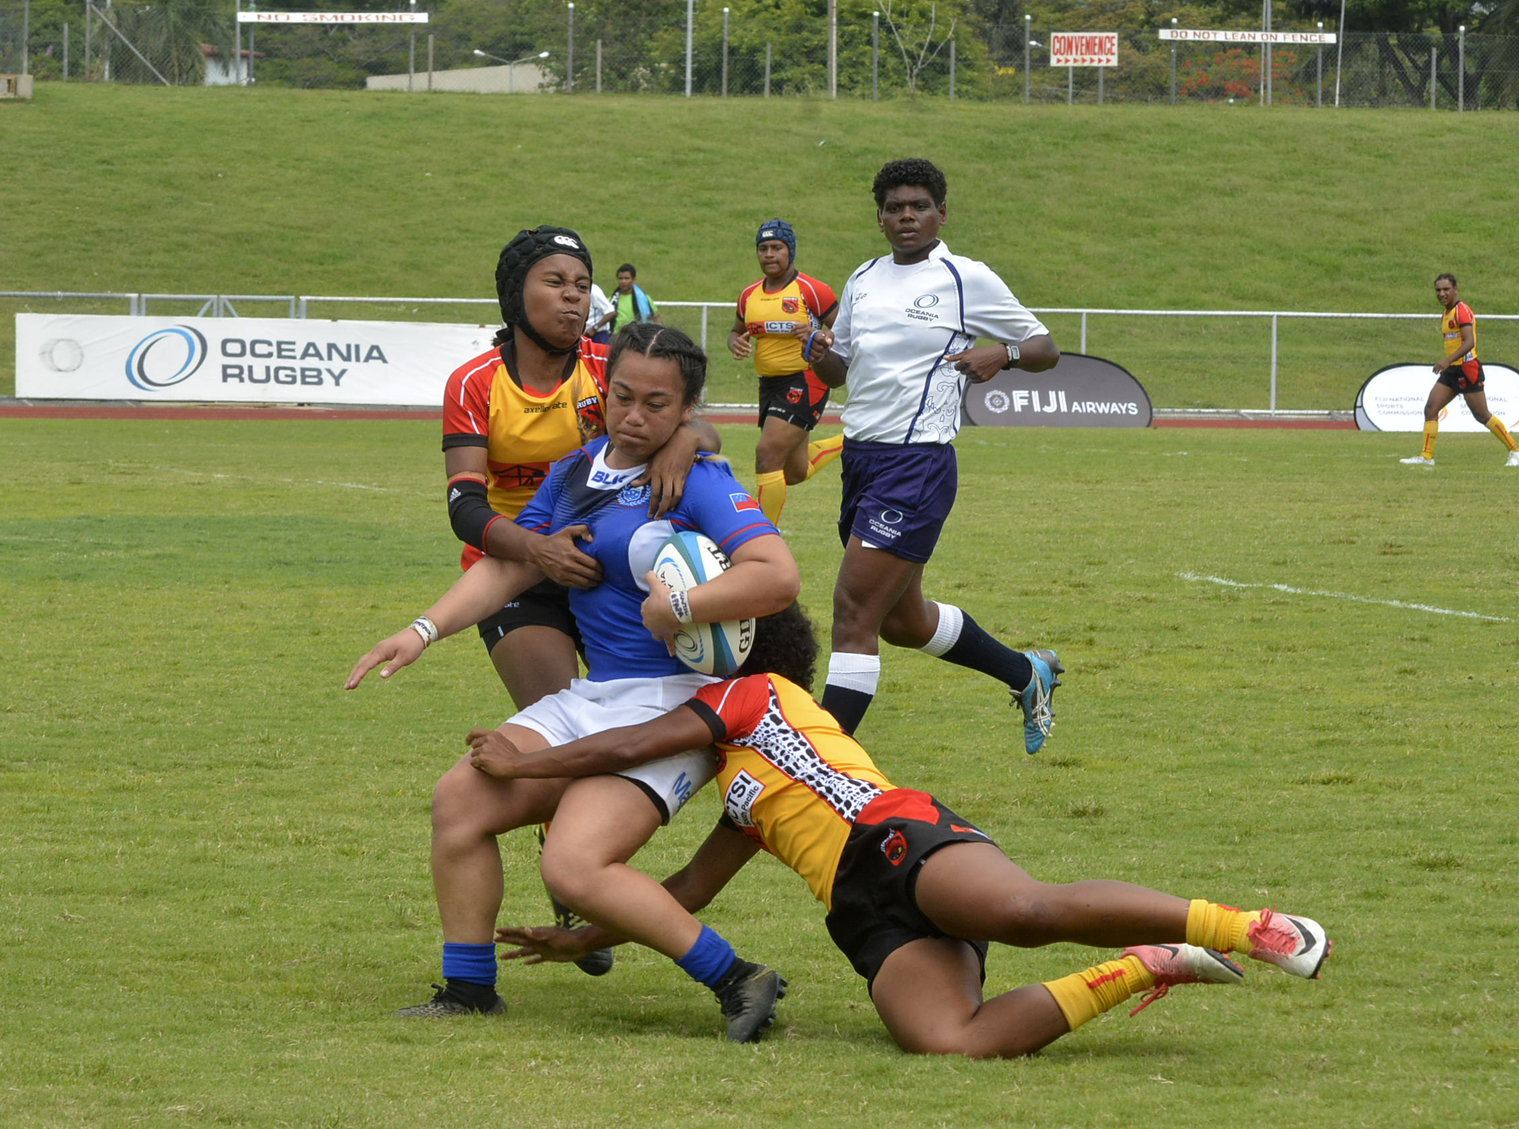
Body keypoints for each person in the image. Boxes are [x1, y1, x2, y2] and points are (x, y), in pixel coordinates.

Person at [481, 604, 1333, 1059]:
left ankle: (1248, 927)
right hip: (861, 910)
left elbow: (634, 741)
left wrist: (525, 765)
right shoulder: (737, 782)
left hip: (894, 838)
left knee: (1025, 914)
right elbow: (689, 890)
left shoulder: (758, 695)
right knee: (948, 1041)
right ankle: (1146, 964)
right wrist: (585, 934)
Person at [349, 324, 801, 1040]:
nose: (635, 415)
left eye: (658, 404)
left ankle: (737, 975)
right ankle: (469, 988)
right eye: (622, 395)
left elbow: (776, 576)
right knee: (460, 800)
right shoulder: (571, 474)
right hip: (593, 697)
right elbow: (506, 569)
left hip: (677, 707)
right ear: (604, 390)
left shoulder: (699, 478)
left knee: (572, 866)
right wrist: (420, 631)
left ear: (686, 411)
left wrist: (677, 605)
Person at [442, 227, 716, 973]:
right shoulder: (475, 381)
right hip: (518, 570)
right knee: (559, 718)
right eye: (555, 281)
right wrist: (535, 549)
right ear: (515, 292)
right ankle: (577, 879)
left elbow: (688, 417)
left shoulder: (607, 365)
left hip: (609, 573)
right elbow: (464, 506)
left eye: (582, 283)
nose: (574, 296)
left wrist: (688, 439)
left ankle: (582, 868)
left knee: (636, 704)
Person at [798, 157, 1065, 753]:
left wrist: (1004, 355)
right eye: (895, 208)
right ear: (880, 218)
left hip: (916, 465)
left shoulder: (965, 277)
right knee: (901, 622)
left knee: (853, 613)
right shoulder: (862, 278)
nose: (907, 216)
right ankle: (1028, 674)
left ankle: (817, 758)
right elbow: (841, 372)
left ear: (942, 213)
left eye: (919, 206)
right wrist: (819, 354)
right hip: (861, 460)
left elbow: (1043, 346)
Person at [726, 219, 846, 525]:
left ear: (789, 251)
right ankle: (850, 441)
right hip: (769, 384)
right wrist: (735, 343)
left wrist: (821, 337)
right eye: (763, 248)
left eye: (776, 247)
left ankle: (760, 540)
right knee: (793, 472)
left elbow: (846, 332)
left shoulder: (812, 290)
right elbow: (736, 331)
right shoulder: (749, 295)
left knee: (767, 455)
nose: (769, 254)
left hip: (805, 380)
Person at [1400, 273, 1519, 468]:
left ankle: (1517, 450)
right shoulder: (1446, 314)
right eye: (1438, 290)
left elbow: (1470, 342)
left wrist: (1447, 360)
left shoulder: (1462, 311)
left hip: (1467, 369)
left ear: (1455, 289)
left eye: (1446, 289)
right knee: (1431, 408)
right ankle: (1426, 456)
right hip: (1452, 371)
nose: (1442, 293)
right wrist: (1449, 363)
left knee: (1482, 415)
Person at [610, 263, 660, 331]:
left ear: (633, 279)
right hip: (616, 338)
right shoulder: (611, 300)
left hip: (637, 337)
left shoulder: (644, 299)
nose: (623, 281)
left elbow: (656, 316)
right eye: (620, 278)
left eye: (626, 278)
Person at [585, 280, 614, 345]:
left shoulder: (593, 290)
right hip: (583, 336)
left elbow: (611, 312)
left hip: (598, 336)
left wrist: (594, 328)